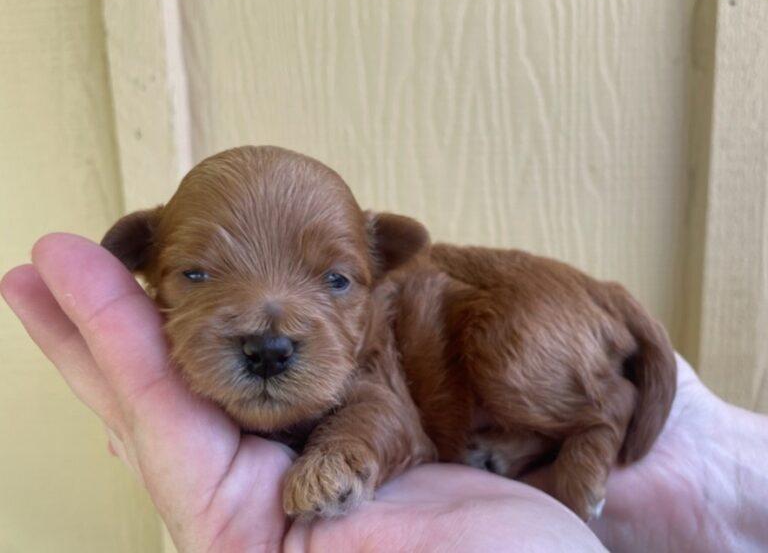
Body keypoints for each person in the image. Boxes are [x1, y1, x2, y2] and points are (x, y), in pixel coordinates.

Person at [2, 233, 767, 552]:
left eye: (333, 282)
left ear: (375, 267)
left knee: (512, 362)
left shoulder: (385, 337)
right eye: (199, 275)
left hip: (530, 322)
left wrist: (601, 443)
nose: (269, 329)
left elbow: (382, 408)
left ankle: (598, 418)